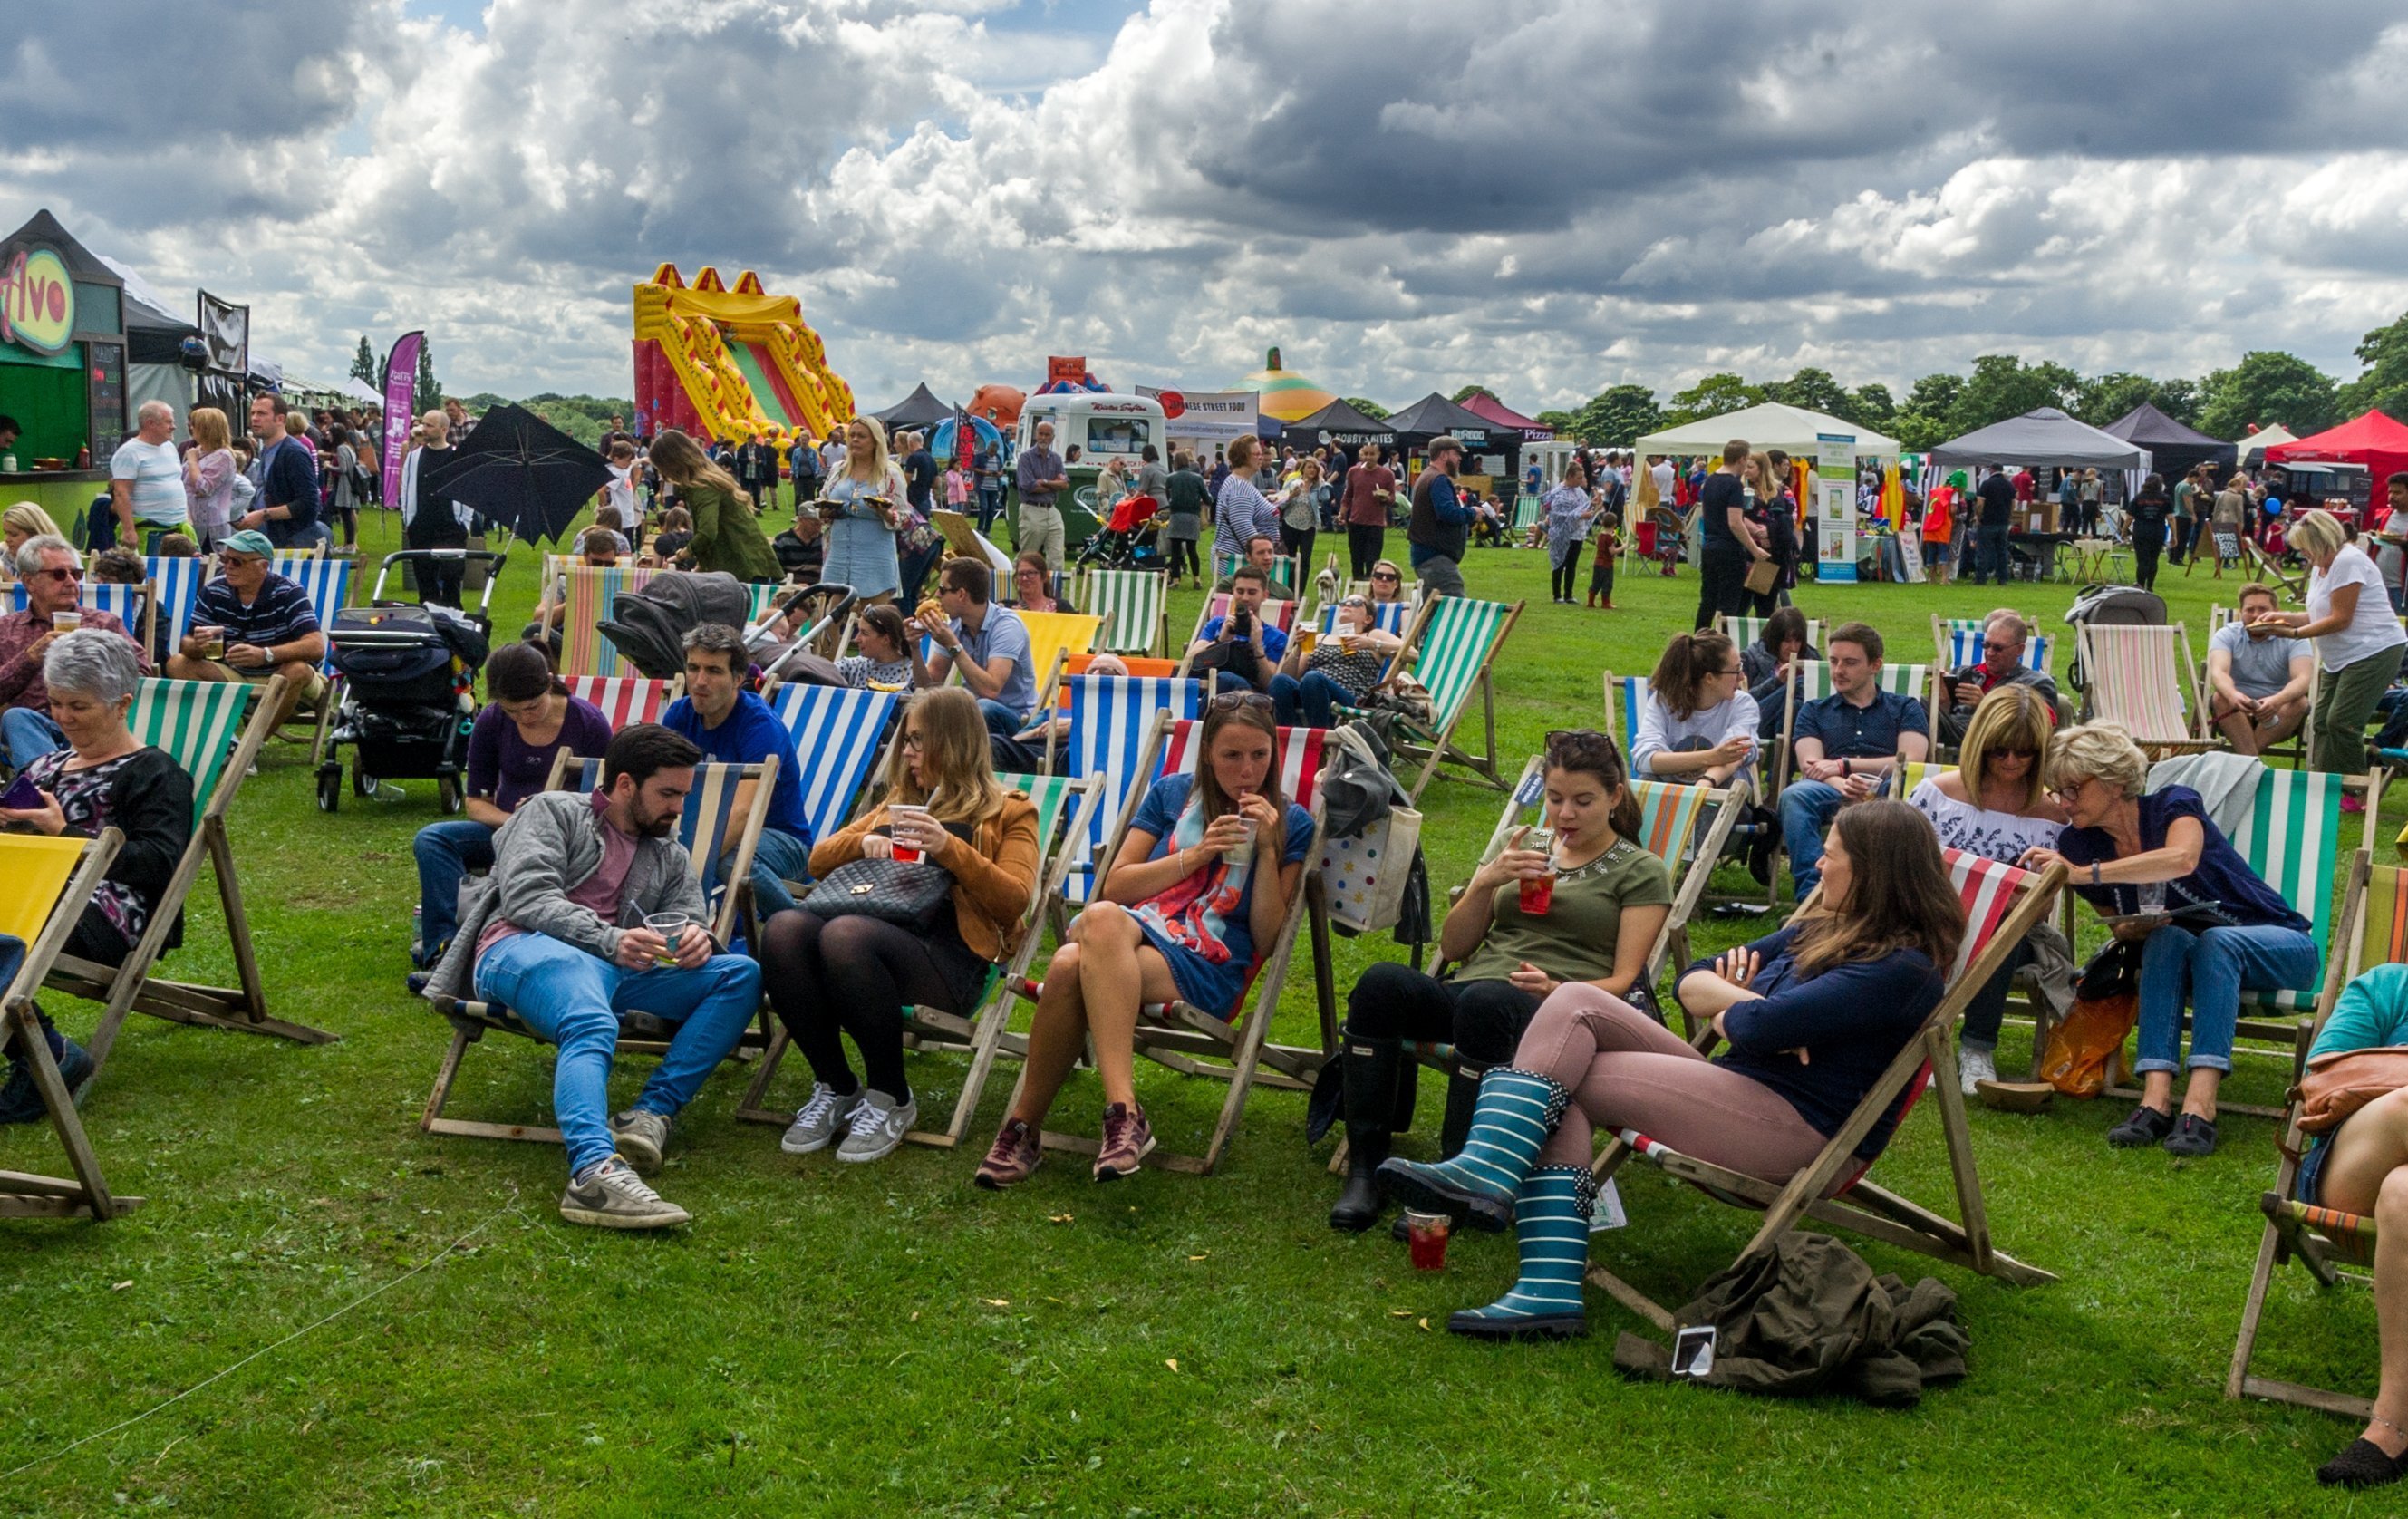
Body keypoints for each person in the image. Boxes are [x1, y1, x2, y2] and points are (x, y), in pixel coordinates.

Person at [1376, 800, 1957, 1340]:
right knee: (1575, 1003)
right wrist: (1750, 1005)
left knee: (1566, 1071)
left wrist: (1744, 1010)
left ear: (1874, 872)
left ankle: (1518, 1231)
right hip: (1739, 1088)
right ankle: (1500, 1197)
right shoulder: (1822, 929)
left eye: (1831, 854)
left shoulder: (1899, 969)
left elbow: (1754, 1028)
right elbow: (1693, 980)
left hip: (1798, 1132)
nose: (1817, 864)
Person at [1325, 729, 1670, 1231]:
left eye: (1583, 801)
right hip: (1476, 991)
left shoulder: (1640, 871)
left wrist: (1559, 991)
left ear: (1616, 797)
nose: (1565, 814)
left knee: (1486, 1003)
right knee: (1381, 983)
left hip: (1556, 1011)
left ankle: (1456, 1183)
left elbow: (1624, 980)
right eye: (1554, 799)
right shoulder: (1528, 846)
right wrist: (1488, 880)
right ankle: (1365, 1171)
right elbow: (1456, 947)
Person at [422, 723, 763, 1229]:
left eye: (684, 795)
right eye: (668, 794)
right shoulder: (553, 813)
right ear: (625, 784)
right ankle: (592, 1174)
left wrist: (695, 938)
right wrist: (610, 941)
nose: (678, 808)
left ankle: (648, 1115)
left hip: (619, 967)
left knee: (739, 974)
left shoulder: (667, 851)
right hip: (523, 950)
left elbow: (689, 914)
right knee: (590, 1020)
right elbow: (528, 898)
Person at [973, 693, 1316, 1186]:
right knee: (1102, 922)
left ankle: (1025, 1129)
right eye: (1231, 756)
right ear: (1207, 755)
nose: (1247, 771)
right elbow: (1116, 884)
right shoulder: (1171, 795)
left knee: (1073, 962)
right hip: (1137, 936)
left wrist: (1266, 847)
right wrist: (1197, 856)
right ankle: (1122, 1112)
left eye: (1259, 755)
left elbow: (1266, 936)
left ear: (1273, 753)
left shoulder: (1292, 822)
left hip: (1210, 964)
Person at [760, 688, 1044, 1163]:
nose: (907, 751)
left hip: (952, 964)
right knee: (785, 928)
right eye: (907, 740)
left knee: (843, 934)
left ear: (951, 743)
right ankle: (836, 1085)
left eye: (917, 740)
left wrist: (948, 846)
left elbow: (1013, 900)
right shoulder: (902, 804)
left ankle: (892, 1096)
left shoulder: (1010, 811)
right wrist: (869, 838)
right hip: (872, 943)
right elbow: (817, 858)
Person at [2020, 722, 2316, 1158]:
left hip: (2279, 944)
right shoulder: (2078, 844)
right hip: (2196, 959)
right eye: (2057, 790)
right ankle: (2155, 1101)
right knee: (2165, 941)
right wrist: (2133, 927)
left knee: (2217, 942)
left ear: (2114, 780)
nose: (2064, 802)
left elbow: (2182, 859)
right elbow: (2117, 925)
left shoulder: (2173, 805)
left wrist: (2087, 874)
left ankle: (2200, 1105)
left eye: (2073, 789)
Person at [0, 633, 194, 1122]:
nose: (62, 717)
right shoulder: (47, 763)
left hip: (104, 912)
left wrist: (65, 832)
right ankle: (47, 1050)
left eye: (78, 707)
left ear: (122, 703)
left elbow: (157, 864)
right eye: (56, 703)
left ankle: (45, 1055)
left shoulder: (155, 772)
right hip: (28, 890)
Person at [2268, 965, 2408, 1485]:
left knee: (2404, 1194)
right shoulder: (2388, 987)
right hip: (2355, 1171)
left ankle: (2392, 1428)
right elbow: (2320, 1084)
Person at [410, 642, 613, 974]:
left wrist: (547, 813)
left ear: (549, 682)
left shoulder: (588, 724)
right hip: (505, 831)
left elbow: (608, 804)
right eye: (512, 712)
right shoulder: (492, 721)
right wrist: (515, 820)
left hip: (567, 843)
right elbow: (476, 803)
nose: (523, 718)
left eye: (531, 708)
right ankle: (444, 949)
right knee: (433, 839)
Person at [1906, 685, 2066, 1089]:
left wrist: (2017, 901)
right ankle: (1920, 1041)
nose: (2011, 761)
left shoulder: (2054, 814)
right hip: (1934, 918)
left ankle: (1977, 1046)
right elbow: (1900, 870)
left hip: (2010, 931)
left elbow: (2044, 905)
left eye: (2025, 752)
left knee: (2001, 925)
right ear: (1980, 744)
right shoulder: (1937, 795)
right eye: (1999, 750)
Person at [659, 624, 813, 918]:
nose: (700, 681)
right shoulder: (679, 715)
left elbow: (744, 813)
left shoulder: (759, 727)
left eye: (714, 671)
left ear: (738, 678)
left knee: (728, 860)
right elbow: (659, 786)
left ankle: (795, 922)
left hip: (780, 838)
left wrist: (689, 859)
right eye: (694, 668)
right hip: (698, 827)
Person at [2248, 508, 2408, 791]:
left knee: (2342, 721)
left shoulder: (2348, 561)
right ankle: (2322, 783)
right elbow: (2319, 613)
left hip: (2373, 650)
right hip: (2341, 656)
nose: (2303, 555)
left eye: (2306, 549)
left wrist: (2293, 633)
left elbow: (2339, 619)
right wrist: (2281, 617)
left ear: (2321, 542)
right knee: (2321, 721)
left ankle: (2356, 788)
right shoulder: (2323, 565)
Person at [1779, 621, 1929, 898]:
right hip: (1828, 787)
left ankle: (1883, 895)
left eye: (1850, 663)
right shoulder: (1813, 710)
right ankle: (1813, 896)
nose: (1838, 671)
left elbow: (1910, 760)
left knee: (1901, 792)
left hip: (1886, 791)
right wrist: (1841, 782)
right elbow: (1809, 764)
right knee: (1795, 797)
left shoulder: (1905, 707)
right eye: (1834, 661)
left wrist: (1845, 765)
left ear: (1875, 665)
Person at [2, 537, 151, 768]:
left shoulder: (104, 624)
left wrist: (93, 657)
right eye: (59, 574)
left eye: (76, 574)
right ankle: (56, 784)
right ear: (29, 581)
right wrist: (31, 657)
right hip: (36, 725)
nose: (71, 582)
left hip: (95, 723)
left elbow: (142, 672)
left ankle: (47, 789)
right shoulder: (6, 629)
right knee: (17, 718)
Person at [913, 556, 1040, 764]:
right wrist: (914, 648)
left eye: (943, 589)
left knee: (984, 707)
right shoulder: (953, 624)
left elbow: (991, 689)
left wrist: (953, 645)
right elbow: (927, 686)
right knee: (917, 703)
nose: (937, 595)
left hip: (1016, 720)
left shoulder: (1007, 626)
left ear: (962, 594)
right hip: (972, 713)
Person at [1631, 630, 1759, 791]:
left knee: (1726, 786)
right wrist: (1712, 756)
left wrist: (1704, 784)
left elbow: (1736, 754)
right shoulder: (1665, 701)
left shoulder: (1742, 704)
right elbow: (1644, 758)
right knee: (1648, 779)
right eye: (1736, 670)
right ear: (1709, 678)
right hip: (1670, 792)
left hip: (1717, 788)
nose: (1742, 676)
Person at [650, 430, 780, 583]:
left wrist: (678, 556)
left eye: (661, 467)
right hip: (749, 563)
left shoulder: (703, 486)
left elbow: (707, 532)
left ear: (672, 463)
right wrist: (700, 567)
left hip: (744, 568)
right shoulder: (708, 480)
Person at [2206, 581, 2313, 756]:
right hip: (2236, 710)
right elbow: (2219, 672)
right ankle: (2251, 759)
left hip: (2279, 713)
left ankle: (2245, 760)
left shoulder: (2295, 636)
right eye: (2249, 610)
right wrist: (2234, 695)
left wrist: (2276, 701)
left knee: (2300, 702)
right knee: (2221, 697)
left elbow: (2302, 679)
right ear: (2241, 612)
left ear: (2276, 612)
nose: (2256, 615)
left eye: (2263, 610)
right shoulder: (2226, 635)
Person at [1936, 608, 2062, 745]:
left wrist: (1985, 704)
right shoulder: (1962, 673)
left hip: (1997, 741)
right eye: (1986, 645)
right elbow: (1945, 717)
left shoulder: (2037, 684)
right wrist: (1941, 703)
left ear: (2019, 650)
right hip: (1953, 734)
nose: (1990, 653)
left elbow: (2038, 728)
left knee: (1915, 707)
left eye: (1998, 648)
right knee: (1918, 706)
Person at [1269, 594, 1397, 727]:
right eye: (1344, 602)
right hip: (1309, 691)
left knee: (1313, 678)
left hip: (1350, 698)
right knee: (1279, 681)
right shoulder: (1320, 638)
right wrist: (1299, 647)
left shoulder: (1372, 635)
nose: (1347, 605)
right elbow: (1290, 676)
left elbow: (1410, 652)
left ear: (1368, 619)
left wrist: (1372, 644)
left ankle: (1319, 737)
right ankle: (1284, 737)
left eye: (1356, 602)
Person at [820, 417, 907, 603]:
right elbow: (822, 500)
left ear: (876, 441)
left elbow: (904, 518)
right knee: (829, 619)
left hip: (874, 559)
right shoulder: (838, 469)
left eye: (861, 436)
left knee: (873, 620)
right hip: (839, 554)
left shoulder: (890, 473)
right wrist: (825, 511)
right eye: (851, 436)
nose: (855, 440)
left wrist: (884, 512)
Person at [398, 408, 475, 606]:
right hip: (421, 526)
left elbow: (468, 493)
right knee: (425, 581)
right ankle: (429, 622)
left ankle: (454, 620)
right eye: (423, 424)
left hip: (451, 527)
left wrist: (464, 523)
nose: (424, 429)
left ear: (443, 429)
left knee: (452, 577)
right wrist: (409, 520)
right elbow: (406, 489)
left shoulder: (457, 456)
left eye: (429, 425)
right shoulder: (414, 457)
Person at [235, 393, 323, 550]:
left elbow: (309, 503)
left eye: (262, 413)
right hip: (272, 536)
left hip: (292, 541)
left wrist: (263, 515)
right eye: (253, 413)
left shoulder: (293, 453)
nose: (254, 418)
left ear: (280, 419)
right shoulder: (266, 451)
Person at [1694, 439, 1764, 629]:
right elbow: (1735, 522)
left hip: (1709, 547)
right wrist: (1753, 547)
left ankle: (1698, 642)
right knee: (1727, 606)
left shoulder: (1709, 481)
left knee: (1707, 601)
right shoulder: (1734, 485)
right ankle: (1722, 648)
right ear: (1741, 459)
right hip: (1729, 550)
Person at [1185, 564, 1288, 693]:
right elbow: (1189, 661)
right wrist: (1219, 640)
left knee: (1226, 678)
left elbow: (1268, 684)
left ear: (1265, 595)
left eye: (1252, 592)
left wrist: (1257, 646)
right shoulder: (1217, 624)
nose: (1245, 598)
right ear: (1233, 592)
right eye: (1240, 591)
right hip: (1211, 687)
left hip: (1247, 698)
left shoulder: (1276, 636)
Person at [106, 401, 191, 554]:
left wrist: (187, 517)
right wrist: (129, 530)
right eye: (169, 422)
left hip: (180, 527)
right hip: (152, 529)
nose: (174, 426)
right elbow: (121, 492)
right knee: (153, 576)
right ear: (150, 423)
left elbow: (176, 483)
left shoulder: (169, 447)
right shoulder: (129, 452)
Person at [1406, 435, 1475, 599]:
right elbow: (1447, 513)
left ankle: (1421, 627)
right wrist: (1473, 513)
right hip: (1435, 557)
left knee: (1431, 609)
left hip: (1427, 555)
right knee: (1454, 605)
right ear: (1443, 455)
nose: (1459, 458)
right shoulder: (1439, 480)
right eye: (1456, 453)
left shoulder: (1427, 476)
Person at [1210, 435, 1281, 571]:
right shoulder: (1240, 488)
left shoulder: (1238, 482)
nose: (1261, 457)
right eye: (1257, 454)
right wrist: (1263, 553)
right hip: (1238, 565)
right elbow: (1242, 524)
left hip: (1238, 561)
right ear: (1243, 456)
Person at [1014, 421, 1070, 572]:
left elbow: (1065, 485)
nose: (1044, 438)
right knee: (1028, 555)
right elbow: (1030, 486)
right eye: (1041, 434)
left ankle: (1055, 593)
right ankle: (1019, 585)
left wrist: (1045, 482)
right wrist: (1054, 485)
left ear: (1052, 437)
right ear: (1035, 434)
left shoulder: (1056, 459)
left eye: (1047, 435)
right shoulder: (1026, 458)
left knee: (1057, 556)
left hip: (1052, 510)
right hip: (1032, 509)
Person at [180, 406, 237, 552]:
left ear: (206, 429)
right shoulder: (198, 451)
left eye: (195, 425)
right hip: (191, 522)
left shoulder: (222, 456)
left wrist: (192, 462)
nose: (191, 428)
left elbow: (203, 488)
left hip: (210, 528)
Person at [1339, 443, 1399, 580]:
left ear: (1378, 455)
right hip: (1356, 521)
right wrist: (1342, 513)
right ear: (1361, 455)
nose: (1368, 457)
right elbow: (1348, 495)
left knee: (1373, 560)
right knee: (1356, 558)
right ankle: (1357, 588)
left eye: (1372, 454)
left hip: (1376, 523)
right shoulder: (1353, 472)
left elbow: (1392, 499)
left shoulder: (1387, 474)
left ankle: (1371, 587)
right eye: (1366, 454)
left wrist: (1384, 497)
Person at [1541, 459, 1597, 605]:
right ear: (1570, 476)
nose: (1581, 480)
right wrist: (1578, 515)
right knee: (1559, 563)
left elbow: (1585, 505)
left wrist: (1592, 506)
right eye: (1579, 478)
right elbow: (1557, 513)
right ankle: (1557, 595)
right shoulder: (1558, 492)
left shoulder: (1579, 492)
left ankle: (1569, 594)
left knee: (1572, 565)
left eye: (1582, 477)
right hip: (1561, 533)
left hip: (1577, 533)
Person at [835, 603, 914, 690]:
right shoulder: (857, 666)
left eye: (864, 633)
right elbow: (825, 670)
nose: (856, 639)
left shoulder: (913, 673)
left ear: (886, 639)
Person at [1161, 450, 1208, 587]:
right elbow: (1207, 498)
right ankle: (1197, 579)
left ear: (1175, 463)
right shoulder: (1197, 478)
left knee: (1175, 551)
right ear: (1188, 462)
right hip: (1192, 516)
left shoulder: (1170, 478)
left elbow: (1168, 497)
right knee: (1192, 550)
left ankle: (1176, 580)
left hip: (1176, 516)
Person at [1971, 463, 2016, 585]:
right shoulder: (2009, 485)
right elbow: (2013, 504)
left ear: (1991, 470)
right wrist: (2009, 517)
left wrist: (1978, 517)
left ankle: (1981, 578)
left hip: (1988, 522)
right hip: (2003, 522)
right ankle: (2003, 578)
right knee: (2002, 551)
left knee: (1984, 551)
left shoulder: (1986, 484)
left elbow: (1980, 503)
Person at [2126, 474, 2171, 592]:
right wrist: (2175, 535)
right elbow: (2171, 518)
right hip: (2158, 530)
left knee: (2142, 560)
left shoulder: (2138, 498)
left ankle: (2140, 585)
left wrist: (2123, 530)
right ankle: (2150, 586)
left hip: (2141, 530)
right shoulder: (2165, 498)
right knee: (2153, 560)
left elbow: (2129, 517)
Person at [1920, 471, 1958, 586]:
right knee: (1943, 552)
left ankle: (1931, 579)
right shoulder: (1953, 492)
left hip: (1930, 524)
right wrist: (1954, 519)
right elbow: (1953, 510)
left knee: (1931, 552)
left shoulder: (1936, 490)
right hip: (1943, 525)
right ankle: (1944, 579)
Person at [1010, 550, 1075, 614]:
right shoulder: (1008, 609)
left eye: (1030, 573)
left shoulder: (1063, 608)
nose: (1024, 578)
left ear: (1044, 576)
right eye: (1021, 574)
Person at [770, 511, 825, 585]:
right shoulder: (783, 540)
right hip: (789, 588)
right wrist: (793, 586)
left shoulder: (823, 540)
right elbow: (776, 574)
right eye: (815, 524)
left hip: (817, 588)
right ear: (801, 520)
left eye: (821, 524)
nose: (818, 529)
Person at [735, 432, 779, 517]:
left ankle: (757, 509)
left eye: (753, 441)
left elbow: (764, 460)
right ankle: (743, 509)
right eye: (750, 441)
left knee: (756, 493)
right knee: (744, 492)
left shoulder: (759, 448)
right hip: (745, 474)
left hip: (756, 474)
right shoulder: (742, 448)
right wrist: (747, 460)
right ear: (748, 440)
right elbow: (739, 459)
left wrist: (760, 462)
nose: (752, 443)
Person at [1587, 510, 1621, 609]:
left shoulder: (1601, 535)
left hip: (1597, 563)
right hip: (1606, 564)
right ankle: (1606, 603)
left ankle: (1591, 601)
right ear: (1615, 524)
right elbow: (1612, 551)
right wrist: (1623, 547)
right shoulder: (1609, 538)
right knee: (1607, 583)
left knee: (1596, 582)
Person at [788, 430, 821, 513]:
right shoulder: (796, 451)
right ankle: (797, 514)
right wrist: (791, 476)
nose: (804, 442)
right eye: (802, 440)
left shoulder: (813, 451)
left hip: (810, 477)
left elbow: (817, 463)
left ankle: (809, 513)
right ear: (800, 440)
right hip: (799, 477)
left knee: (809, 496)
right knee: (798, 495)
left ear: (809, 440)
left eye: (805, 440)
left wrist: (817, 473)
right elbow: (794, 464)